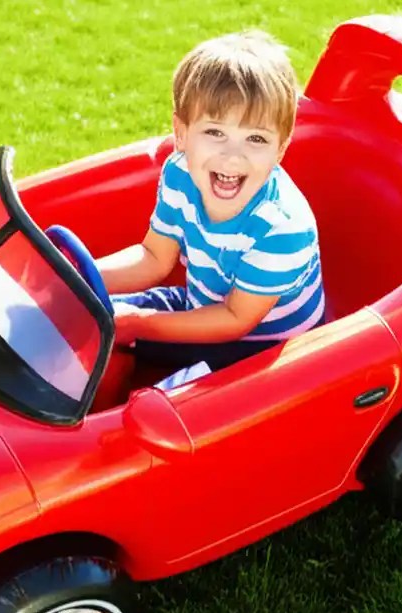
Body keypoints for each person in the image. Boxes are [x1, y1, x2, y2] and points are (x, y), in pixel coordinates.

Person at [97, 30, 325, 373]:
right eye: (215, 132)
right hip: (202, 305)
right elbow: (155, 258)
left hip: (266, 350)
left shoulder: (282, 226)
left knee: (171, 403)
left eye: (256, 139)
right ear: (182, 133)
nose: (232, 157)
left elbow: (236, 320)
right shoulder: (180, 174)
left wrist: (140, 324)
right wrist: (76, 276)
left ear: (281, 148)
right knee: (85, 318)